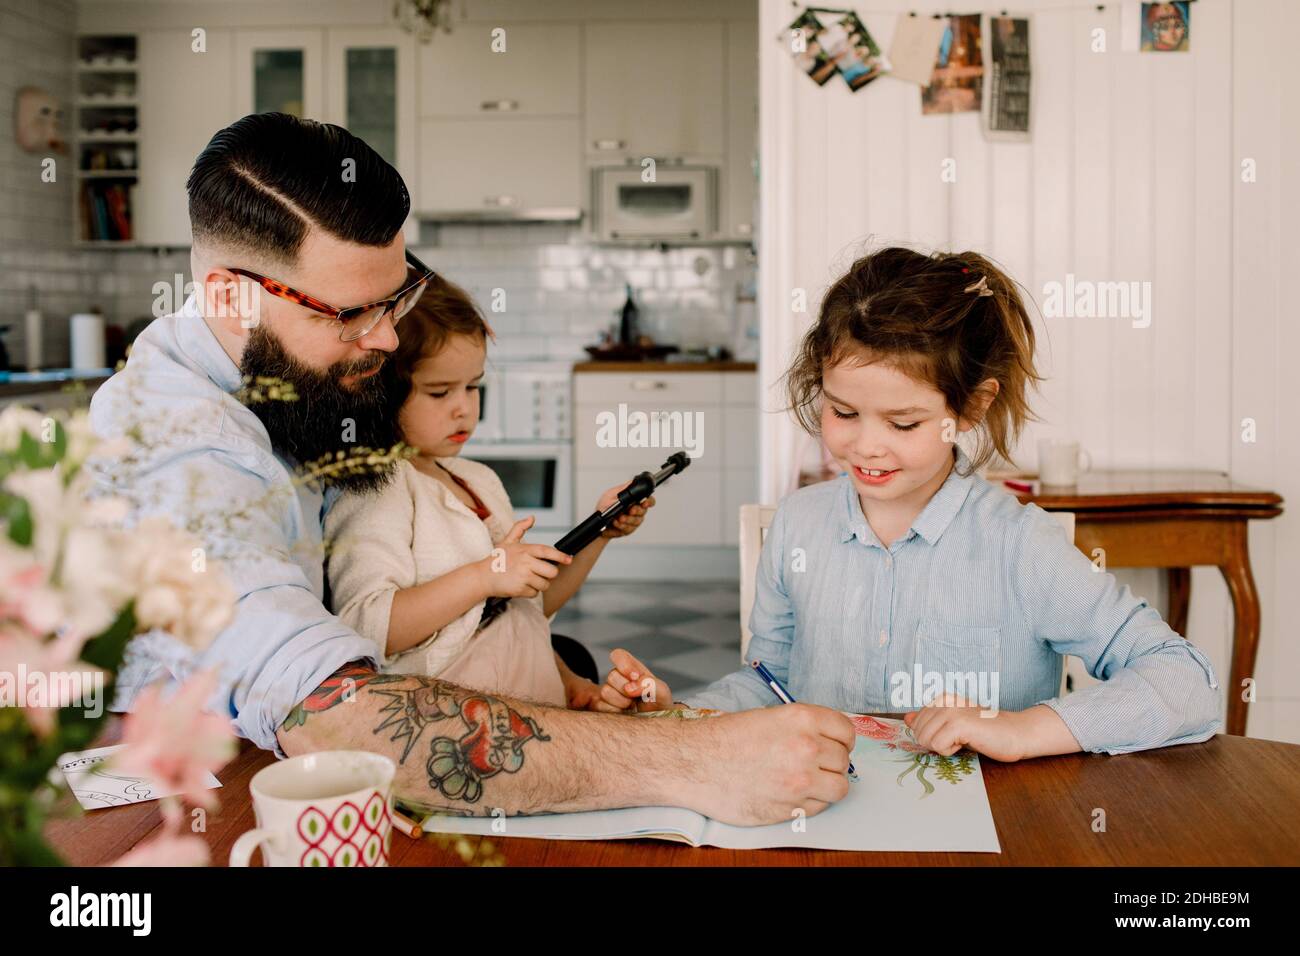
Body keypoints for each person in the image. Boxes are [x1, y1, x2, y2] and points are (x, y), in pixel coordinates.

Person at [87, 111, 855, 826]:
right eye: (351, 314)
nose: (387, 341)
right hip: (192, 809)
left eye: (396, 298)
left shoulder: (288, 381)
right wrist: (697, 761)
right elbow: (331, 716)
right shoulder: (179, 454)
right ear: (233, 297)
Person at [599, 247, 1222, 762]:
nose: (866, 444)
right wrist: (680, 713)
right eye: (843, 412)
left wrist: (1022, 728)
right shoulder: (797, 525)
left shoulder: (1019, 544)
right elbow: (771, 684)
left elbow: (1184, 679)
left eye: (903, 423)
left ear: (971, 408)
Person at [324, 282, 653, 711]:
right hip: (451, 726)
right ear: (380, 391)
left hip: (531, 712)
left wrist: (601, 531)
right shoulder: (376, 488)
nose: (464, 408)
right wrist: (485, 576)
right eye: (440, 392)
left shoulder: (477, 479)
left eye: (473, 387)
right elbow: (366, 626)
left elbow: (526, 609)